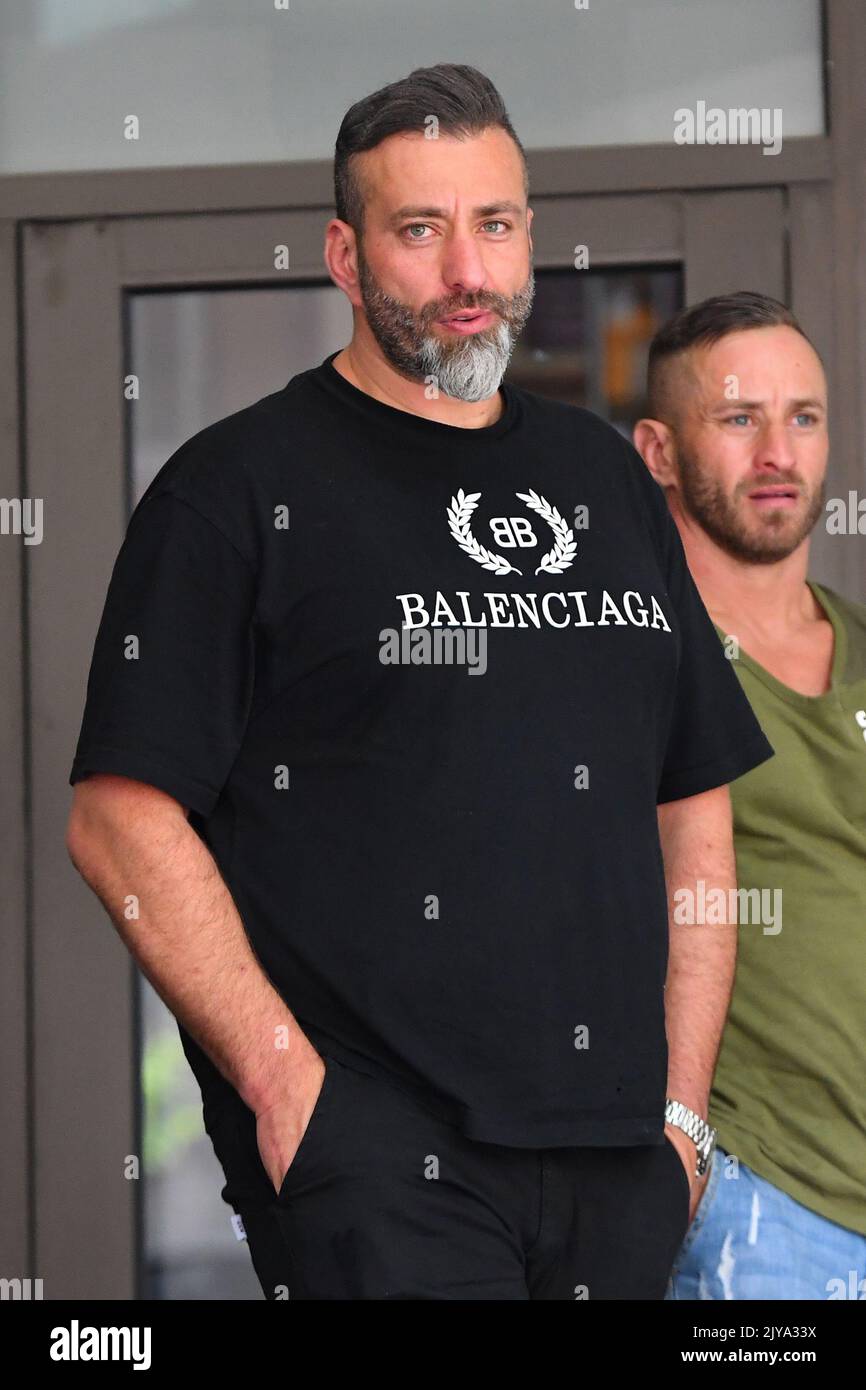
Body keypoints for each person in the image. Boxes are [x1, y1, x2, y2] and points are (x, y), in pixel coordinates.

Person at [66, 66, 772, 1301]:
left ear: (529, 240)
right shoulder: (234, 491)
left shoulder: (601, 482)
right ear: (344, 255)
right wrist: (291, 1089)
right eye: (419, 230)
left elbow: (691, 804)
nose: (466, 273)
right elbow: (118, 819)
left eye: (494, 226)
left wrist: (679, 1114)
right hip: (387, 1165)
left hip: (619, 1163)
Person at [634, 290, 866, 1300]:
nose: (777, 452)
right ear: (656, 451)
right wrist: (674, 1149)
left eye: (801, 417)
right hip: (760, 1202)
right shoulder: (629, 662)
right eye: (738, 419)